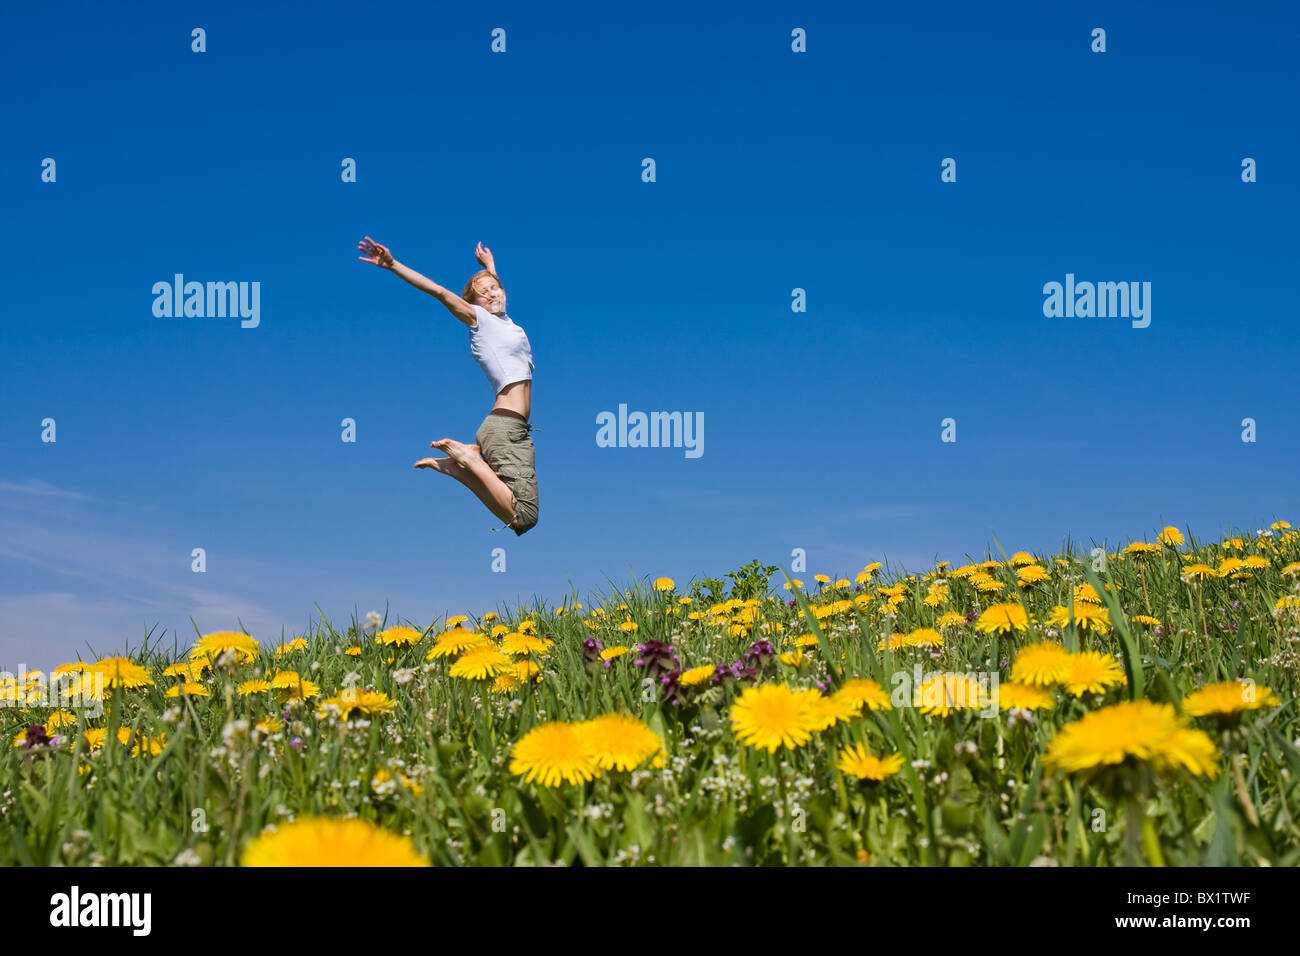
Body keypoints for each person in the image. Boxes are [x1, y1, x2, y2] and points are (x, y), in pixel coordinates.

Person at [357, 236, 538, 535]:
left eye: (494, 288)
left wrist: (490, 268)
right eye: (483, 293)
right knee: (525, 516)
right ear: (473, 304)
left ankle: (462, 469)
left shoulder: (507, 324)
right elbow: (440, 292)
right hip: (504, 427)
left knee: (519, 518)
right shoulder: (480, 320)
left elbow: (495, 293)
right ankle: (468, 460)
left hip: (510, 429)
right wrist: (392, 265)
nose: (491, 294)